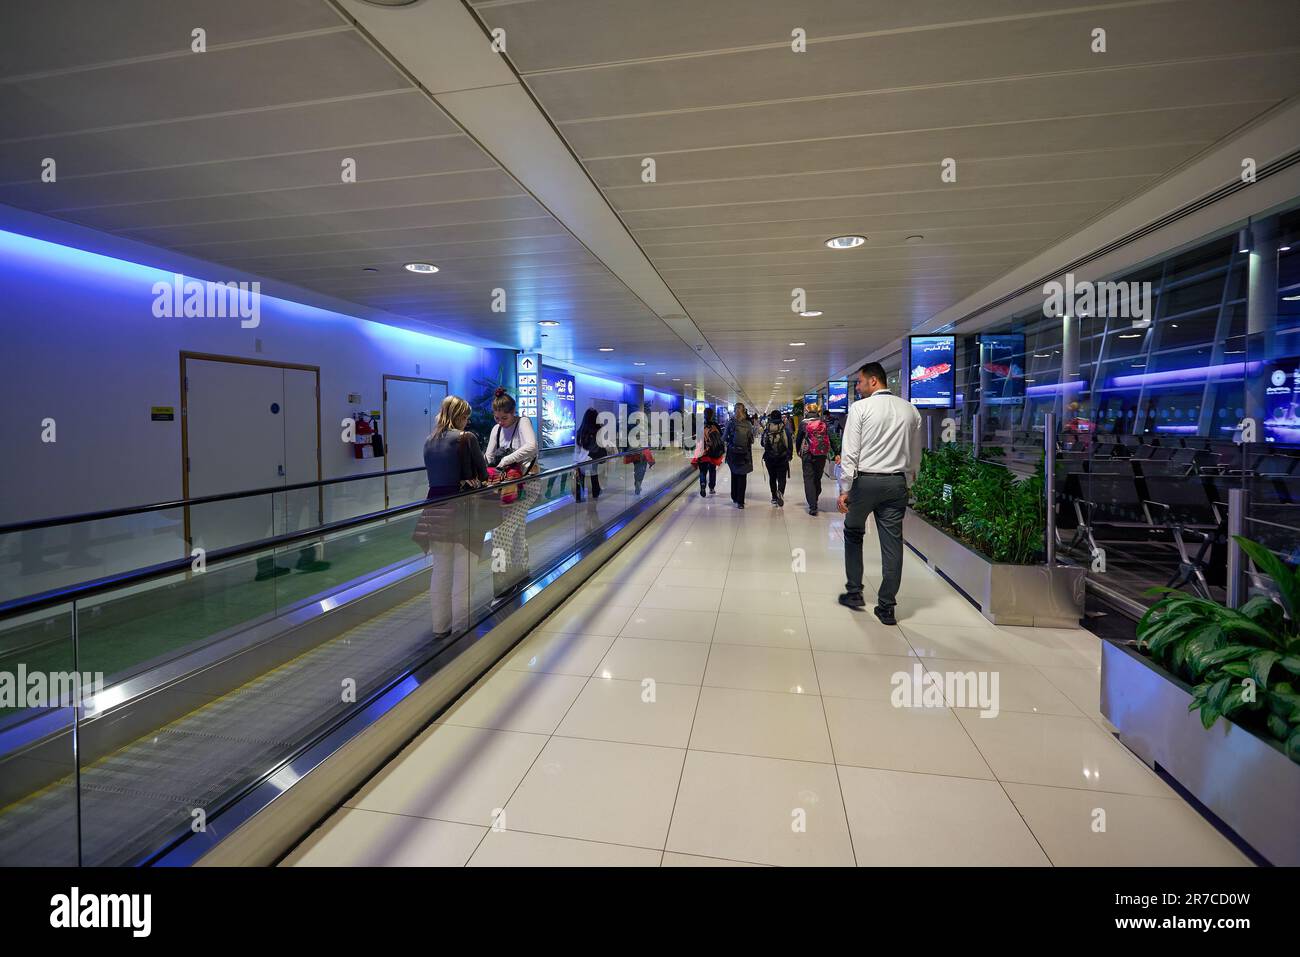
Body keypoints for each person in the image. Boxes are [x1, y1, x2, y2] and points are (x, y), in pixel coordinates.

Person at [837, 362, 923, 625]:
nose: (858, 387)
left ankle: (854, 592)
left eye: (860, 382)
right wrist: (910, 479)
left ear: (873, 381)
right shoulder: (910, 410)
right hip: (896, 483)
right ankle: (886, 606)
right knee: (892, 543)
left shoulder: (860, 408)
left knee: (853, 533)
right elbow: (916, 453)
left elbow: (850, 452)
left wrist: (845, 488)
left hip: (865, 482)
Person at [417, 395, 488, 639]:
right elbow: (483, 473)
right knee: (464, 570)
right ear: (459, 416)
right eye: (466, 417)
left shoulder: (429, 441)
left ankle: (440, 626)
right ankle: (461, 626)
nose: (467, 421)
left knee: (440, 569)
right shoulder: (466, 438)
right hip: (463, 509)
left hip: (434, 509)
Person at [484, 388, 539, 598]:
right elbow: (489, 457)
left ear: (513, 412)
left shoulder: (522, 422)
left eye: (504, 418)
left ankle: (502, 582)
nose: (501, 422)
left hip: (526, 485)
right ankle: (521, 572)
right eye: (496, 418)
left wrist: (506, 460)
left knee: (500, 532)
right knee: (517, 529)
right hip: (506, 489)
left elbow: (532, 446)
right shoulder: (496, 430)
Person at [796, 403, 831, 515]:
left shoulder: (803, 423)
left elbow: (798, 439)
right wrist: (835, 453)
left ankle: (812, 505)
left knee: (808, 479)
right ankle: (815, 498)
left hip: (807, 454)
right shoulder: (823, 422)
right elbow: (829, 437)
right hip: (821, 454)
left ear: (807, 411)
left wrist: (798, 451)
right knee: (817, 478)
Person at [724, 402, 754, 508]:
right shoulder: (748, 424)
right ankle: (740, 502)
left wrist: (729, 441)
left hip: (732, 453)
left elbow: (724, 438)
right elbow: (752, 440)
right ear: (744, 411)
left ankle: (734, 496)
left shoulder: (730, 423)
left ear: (734, 411)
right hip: (745, 454)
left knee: (734, 474)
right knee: (742, 476)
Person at [760, 409, 793, 506]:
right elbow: (789, 444)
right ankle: (780, 492)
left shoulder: (767, 428)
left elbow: (762, 443)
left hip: (769, 458)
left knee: (772, 477)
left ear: (771, 417)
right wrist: (790, 455)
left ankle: (774, 497)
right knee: (782, 477)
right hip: (782, 457)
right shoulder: (784, 428)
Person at [692, 406, 725, 497]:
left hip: (703, 453)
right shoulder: (716, 425)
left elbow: (696, 439)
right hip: (713, 452)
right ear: (712, 415)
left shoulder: (700, 426)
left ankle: (703, 486)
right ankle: (711, 488)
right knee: (712, 470)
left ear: (704, 415)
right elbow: (721, 437)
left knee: (703, 470)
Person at [573, 407, 602, 501]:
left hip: (581, 461)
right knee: (594, 477)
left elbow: (577, 450)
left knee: (580, 479)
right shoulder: (598, 432)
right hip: (592, 459)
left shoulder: (580, 432)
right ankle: (595, 495)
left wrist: (575, 462)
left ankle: (579, 498)